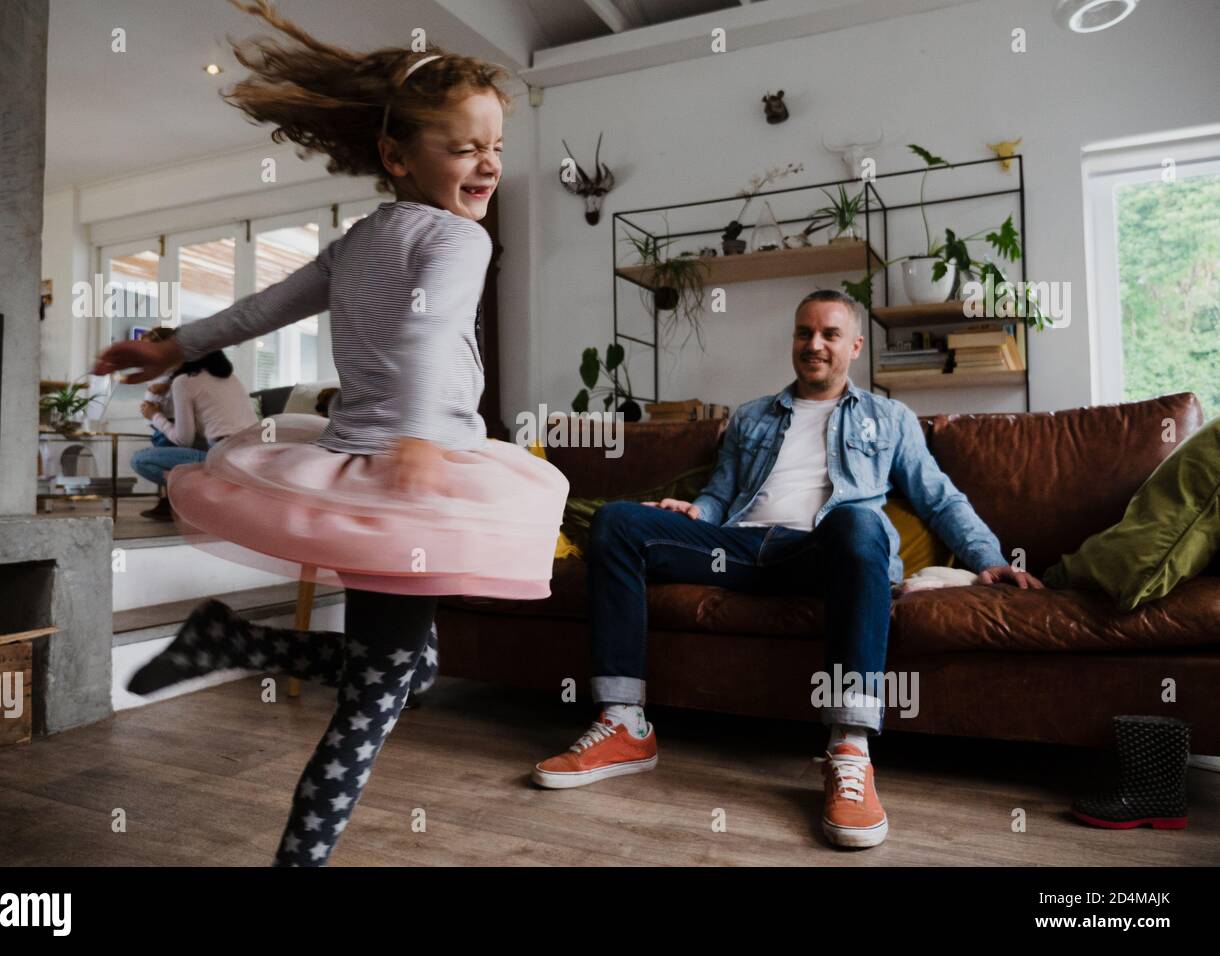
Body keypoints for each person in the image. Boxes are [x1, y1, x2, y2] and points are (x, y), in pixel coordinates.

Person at [92, 0, 566, 867]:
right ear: (396, 155)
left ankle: (226, 640)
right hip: (411, 480)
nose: (487, 163)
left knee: (407, 671)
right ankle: (297, 857)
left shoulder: (359, 242)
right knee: (379, 696)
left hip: (366, 471)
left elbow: (259, 312)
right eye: (463, 147)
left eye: (495, 145)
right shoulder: (461, 242)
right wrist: (421, 434)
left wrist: (171, 346)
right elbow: (427, 331)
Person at [531, 289, 1044, 849]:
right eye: (804, 333)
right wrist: (696, 511)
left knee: (862, 523)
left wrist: (991, 559)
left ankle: (849, 747)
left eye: (828, 334)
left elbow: (942, 500)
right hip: (738, 550)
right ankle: (625, 724)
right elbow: (721, 495)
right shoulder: (751, 416)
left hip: (818, 555)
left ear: (853, 345)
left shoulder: (889, 417)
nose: (814, 345)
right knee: (617, 523)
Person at [129, 348, 257, 521]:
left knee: (140, 459)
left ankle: (209, 492)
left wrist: (154, 416)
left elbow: (183, 439)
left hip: (226, 461)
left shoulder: (184, 381)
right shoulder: (232, 379)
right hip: (253, 457)